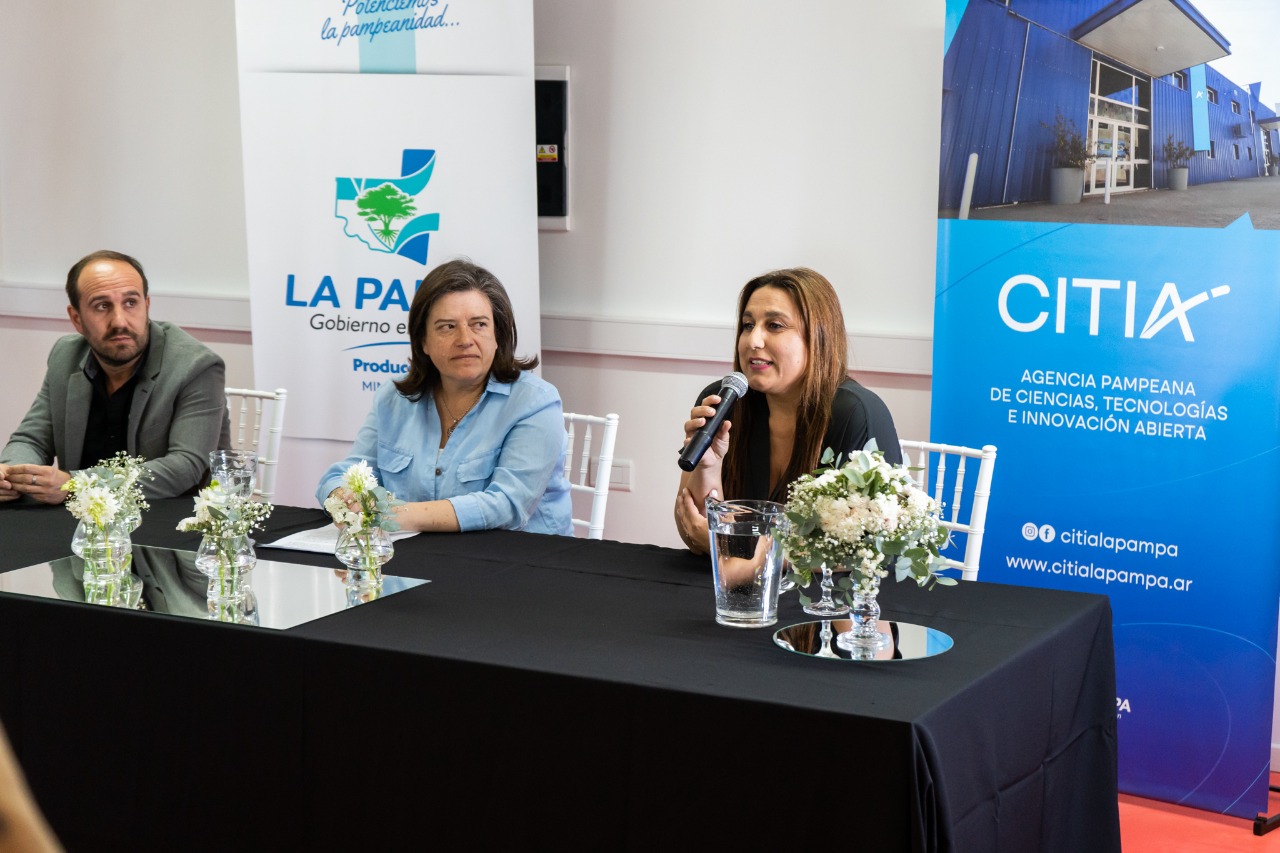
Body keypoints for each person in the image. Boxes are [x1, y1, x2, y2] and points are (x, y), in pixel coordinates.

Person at [317, 259, 573, 535]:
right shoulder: (393, 398)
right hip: (419, 554)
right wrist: (343, 497)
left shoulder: (535, 403)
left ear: (497, 335)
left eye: (479, 324)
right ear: (423, 341)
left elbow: (508, 505)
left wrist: (392, 514)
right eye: (447, 327)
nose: (465, 339)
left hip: (524, 561)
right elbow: (349, 472)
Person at [674, 267, 901, 554]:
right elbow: (694, 530)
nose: (753, 340)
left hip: (825, 595)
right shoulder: (723, 400)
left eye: (775, 326)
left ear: (818, 337)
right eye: (747, 325)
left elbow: (870, 547)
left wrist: (738, 552)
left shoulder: (855, 413)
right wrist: (709, 466)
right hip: (735, 589)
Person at [0, 250, 230, 504]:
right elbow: (32, 439)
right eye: (102, 306)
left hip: (167, 519)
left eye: (131, 303)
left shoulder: (197, 366)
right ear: (76, 318)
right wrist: (10, 475)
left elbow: (185, 467)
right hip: (79, 522)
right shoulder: (65, 355)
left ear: (147, 305)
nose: (119, 321)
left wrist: (77, 485)